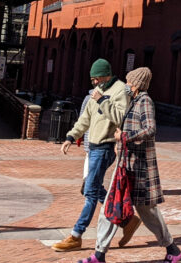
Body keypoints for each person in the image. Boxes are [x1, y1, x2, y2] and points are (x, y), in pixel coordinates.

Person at [79, 67, 181, 263]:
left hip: (139, 169)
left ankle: (172, 249)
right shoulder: (133, 101)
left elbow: (150, 129)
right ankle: (99, 254)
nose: (126, 85)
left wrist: (124, 137)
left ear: (136, 85)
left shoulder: (145, 102)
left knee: (148, 211)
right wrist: (121, 141)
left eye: (128, 82)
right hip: (126, 165)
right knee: (110, 205)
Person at [52, 58, 133, 253]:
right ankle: (128, 221)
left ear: (106, 75)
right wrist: (71, 137)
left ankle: (76, 236)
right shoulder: (97, 93)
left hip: (106, 147)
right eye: (92, 80)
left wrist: (102, 100)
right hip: (93, 148)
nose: (94, 83)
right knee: (93, 189)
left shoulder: (120, 90)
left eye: (96, 79)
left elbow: (120, 117)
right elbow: (85, 118)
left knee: (89, 192)